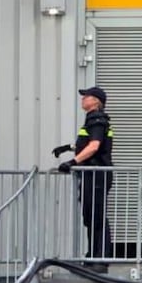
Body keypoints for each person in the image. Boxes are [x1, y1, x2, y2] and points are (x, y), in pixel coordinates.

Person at [54, 87, 114, 271]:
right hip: (92, 175)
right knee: (90, 216)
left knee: (96, 216)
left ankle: (100, 259)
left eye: (86, 97)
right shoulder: (94, 120)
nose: (83, 99)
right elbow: (87, 143)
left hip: (96, 175)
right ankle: (93, 257)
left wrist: (72, 162)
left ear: (96, 101)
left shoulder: (96, 119)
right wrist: (68, 147)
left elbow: (95, 146)